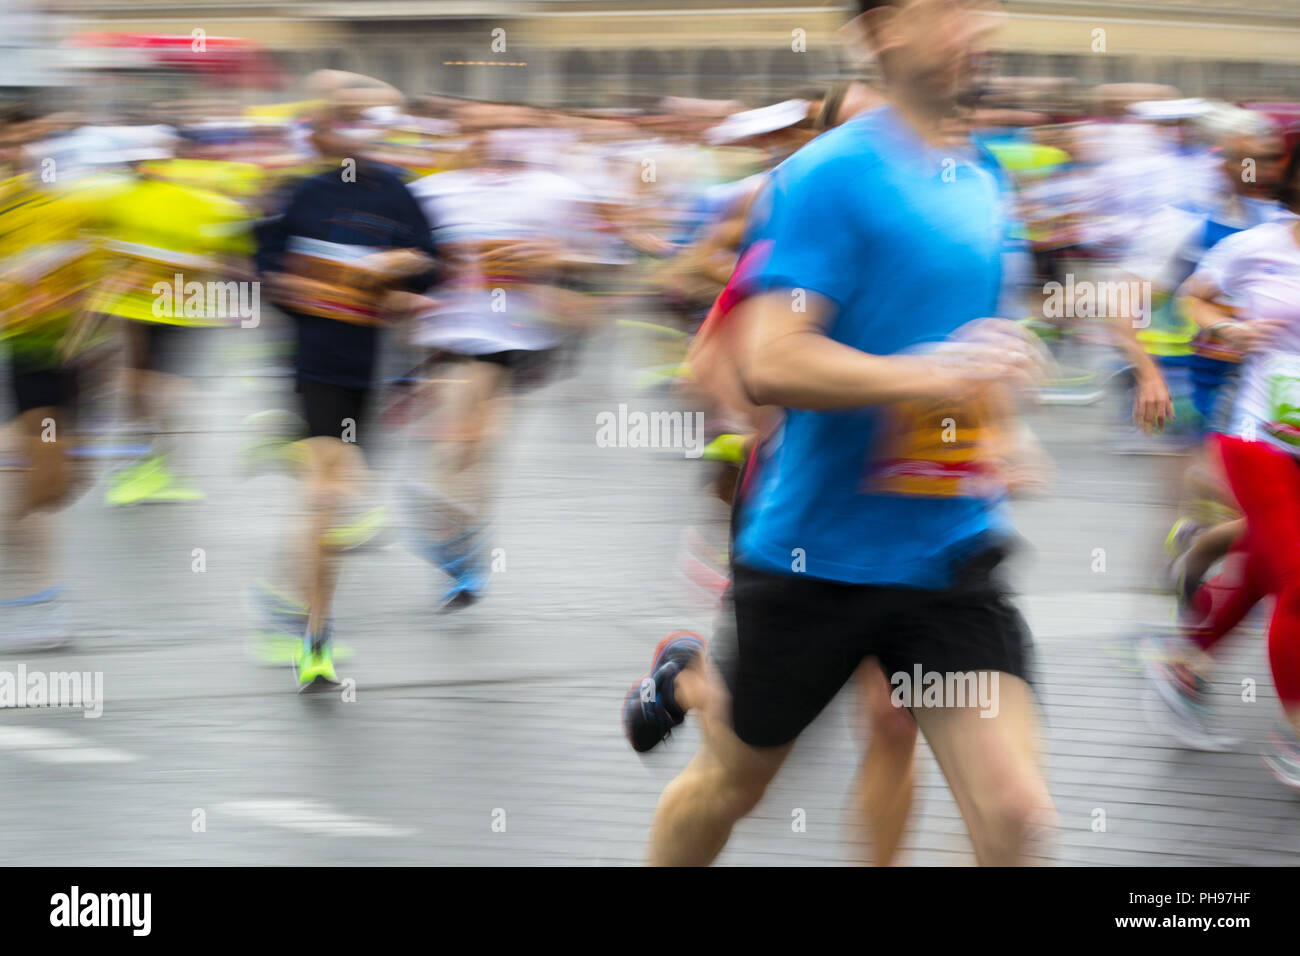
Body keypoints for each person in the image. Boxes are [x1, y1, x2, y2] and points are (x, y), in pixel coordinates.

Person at [640, 0, 1056, 867]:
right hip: (812, 564)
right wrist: (930, 373)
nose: (982, 25)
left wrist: (1006, 409)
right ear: (892, 26)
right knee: (734, 785)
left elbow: (972, 340)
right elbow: (773, 362)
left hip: (948, 557)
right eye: (955, 8)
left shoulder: (981, 177)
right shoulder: (823, 177)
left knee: (1016, 814)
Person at [255, 79, 439, 689]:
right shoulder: (298, 194)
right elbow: (264, 271)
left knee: (339, 497)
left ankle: (287, 594)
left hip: (370, 369)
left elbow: (432, 261)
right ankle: (316, 634)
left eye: (362, 120)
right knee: (326, 496)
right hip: (313, 366)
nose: (352, 132)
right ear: (320, 132)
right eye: (340, 120)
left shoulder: (398, 191)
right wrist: (303, 287)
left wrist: (403, 273)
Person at [1142, 146, 1300, 786]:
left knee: (1266, 569)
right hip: (1259, 437)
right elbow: (1194, 299)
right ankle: (1294, 735)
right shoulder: (1257, 246)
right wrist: (1227, 330)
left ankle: (1183, 661)